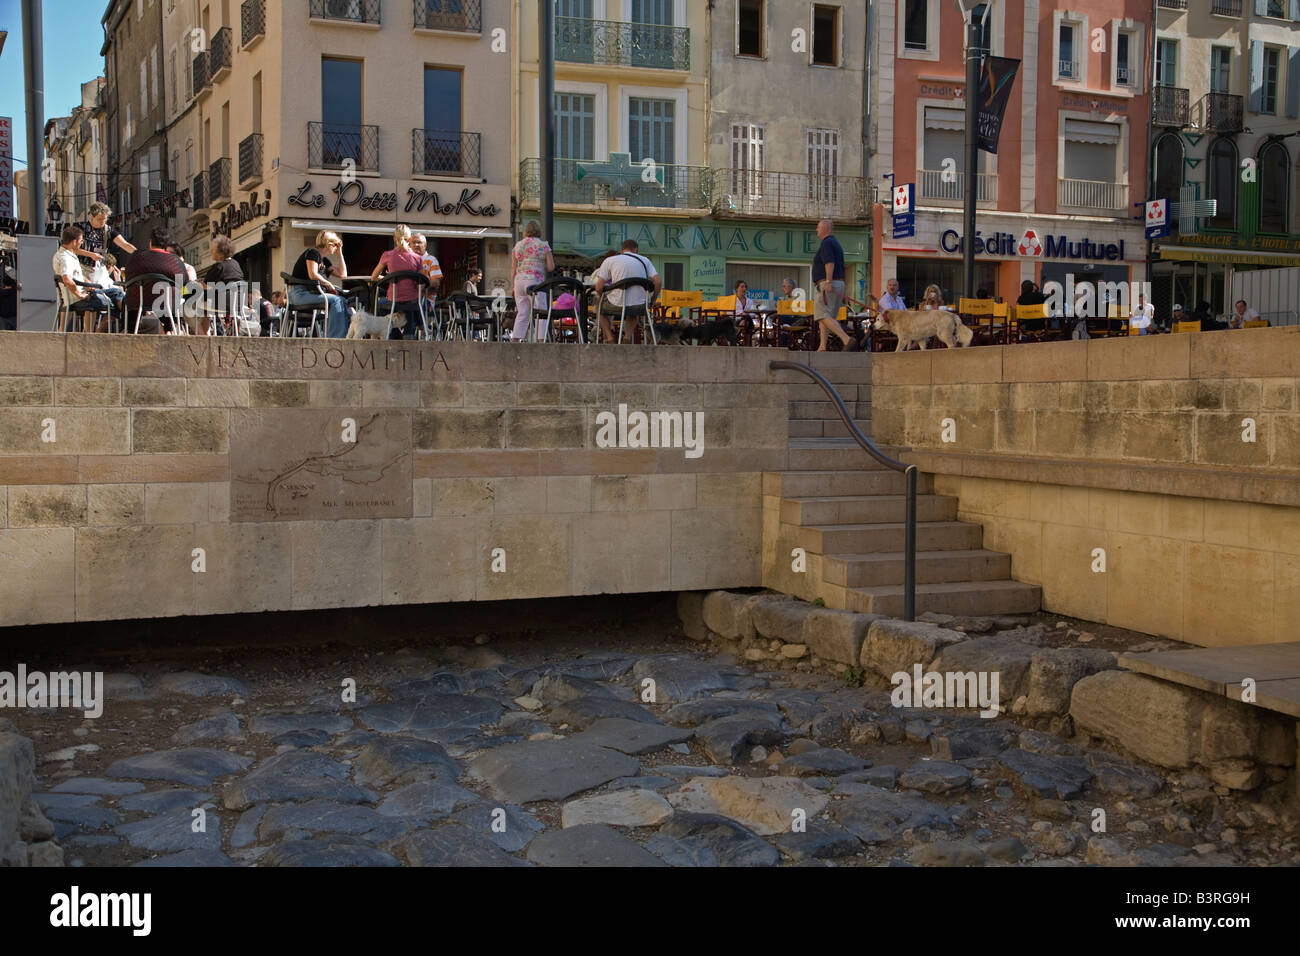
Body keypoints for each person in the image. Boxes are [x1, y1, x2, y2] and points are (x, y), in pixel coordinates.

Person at [594, 238, 661, 343]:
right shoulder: (645, 260)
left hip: (616, 303)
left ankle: (610, 337)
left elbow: (598, 287)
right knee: (635, 311)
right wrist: (653, 299)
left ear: (622, 250)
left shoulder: (610, 260)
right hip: (638, 305)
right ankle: (627, 337)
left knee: (600, 310)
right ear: (636, 249)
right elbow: (658, 281)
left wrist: (604, 296)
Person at [289, 230, 350, 338]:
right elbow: (313, 274)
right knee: (337, 300)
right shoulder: (312, 253)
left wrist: (340, 253)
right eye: (336, 245)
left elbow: (343, 274)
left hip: (309, 294)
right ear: (329, 244)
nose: (336, 247)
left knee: (339, 300)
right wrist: (328, 284)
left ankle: (337, 336)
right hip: (300, 294)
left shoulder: (324, 260)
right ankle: (337, 338)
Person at [371, 224, 426, 339]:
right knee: (411, 305)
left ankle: (391, 334)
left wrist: (389, 278)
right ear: (410, 239)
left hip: (393, 299)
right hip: (412, 301)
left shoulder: (387, 255)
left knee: (380, 305)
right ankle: (410, 333)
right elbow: (421, 284)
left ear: (394, 238)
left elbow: (374, 277)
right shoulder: (418, 258)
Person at [122, 227, 181, 333]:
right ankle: (169, 330)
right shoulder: (174, 261)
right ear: (166, 245)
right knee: (169, 302)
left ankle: (129, 331)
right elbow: (183, 281)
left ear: (150, 242)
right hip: (166, 300)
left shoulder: (137, 257)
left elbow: (128, 278)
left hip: (138, 299)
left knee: (128, 302)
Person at [53, 225, 112, 331]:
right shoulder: (65, 258)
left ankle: (91, 333)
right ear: (74, 242)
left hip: (76, 296)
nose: (82, 243)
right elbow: (67, 279)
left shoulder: (66, 254)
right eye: (80, 240)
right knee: (114, 299)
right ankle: (98, 333)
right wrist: (80, 295)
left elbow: (74, 276)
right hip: (77, 299)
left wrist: (87, 282)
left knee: (114, 294)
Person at [812, 219, 856, 351]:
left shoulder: (827, 243)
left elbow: (829, 262)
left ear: (826, 228)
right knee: (827, 317)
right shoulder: (835, 243)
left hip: (828, 283)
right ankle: (822, 346)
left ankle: (846, 339)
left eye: (818, 227)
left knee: (822, 314)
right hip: (838, 283)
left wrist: (828, 281)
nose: (816, 230)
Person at [510, 219, 555, 342]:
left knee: (522, 312)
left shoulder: (518, 246)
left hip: (519, 281)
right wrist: (540, 264)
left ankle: (515, 340)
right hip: (535, 282)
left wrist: (512, 287)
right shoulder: (543, 245)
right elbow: (551, 267)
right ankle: (541, 340)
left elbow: (513, 269)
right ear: (539, 231)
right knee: (541, 311)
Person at [194, 234, 245, 334]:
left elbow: (205, 285)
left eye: (213, 250)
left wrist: (198, 283)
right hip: (238, 303)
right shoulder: (236, 264)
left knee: (191, 305)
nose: (210, 252)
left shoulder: (218, 267)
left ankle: (201, 335)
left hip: (221, 304)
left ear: (221, 253)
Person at [409, 233, 442, 308]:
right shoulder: (407, 261)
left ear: (425, 245)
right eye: (413, 242)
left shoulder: (431, 259)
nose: (416, 245)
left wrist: (419, 286)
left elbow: (436, 282)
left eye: (419, 242)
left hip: (424, 299)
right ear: (410, 245)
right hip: (407, 298)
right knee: (381, 303)